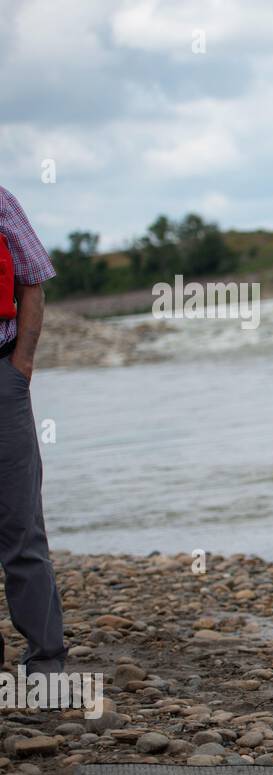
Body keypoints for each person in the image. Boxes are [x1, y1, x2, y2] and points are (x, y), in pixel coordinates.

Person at [0, 185, 66, 678]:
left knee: (20, 523)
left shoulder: (0, 201)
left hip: (2, 377)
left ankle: (46, 659)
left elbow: (34, 282)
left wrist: (21, 365)